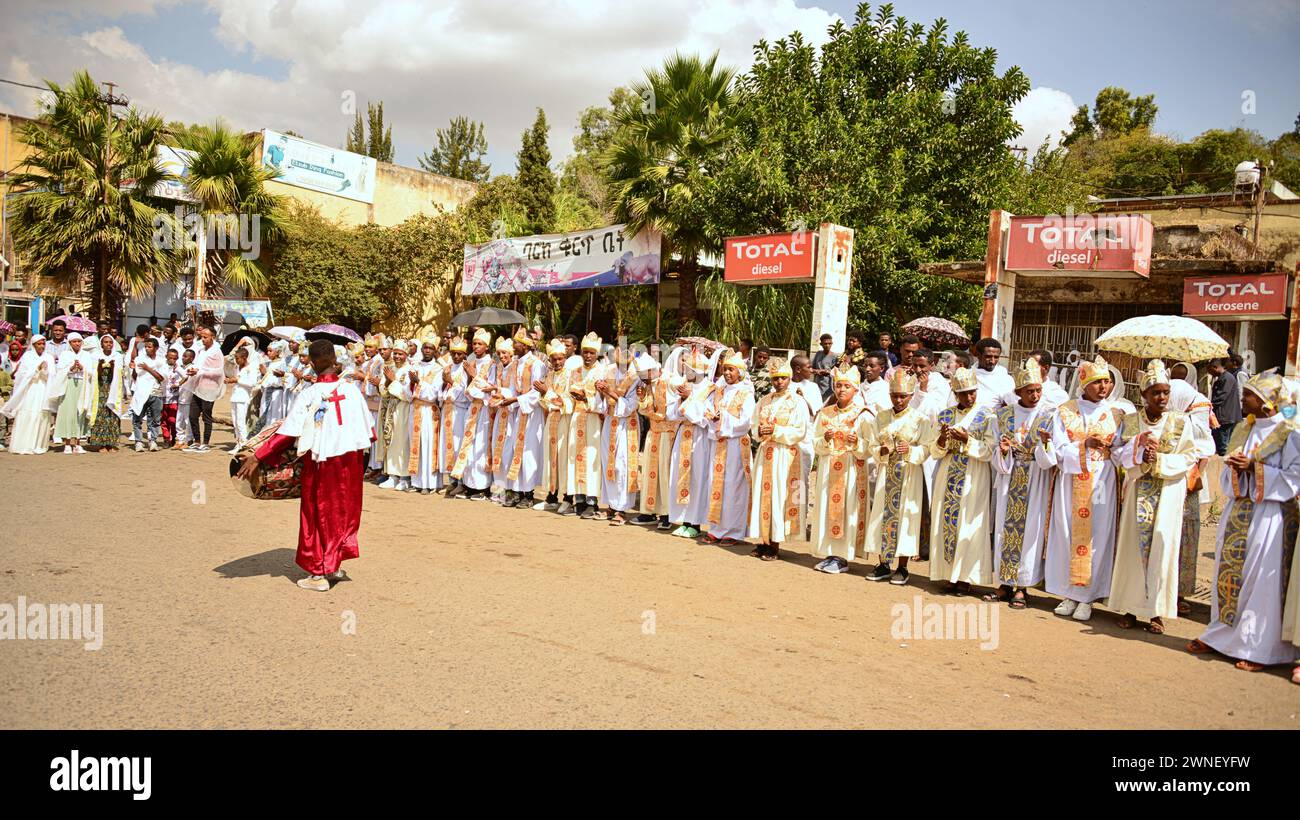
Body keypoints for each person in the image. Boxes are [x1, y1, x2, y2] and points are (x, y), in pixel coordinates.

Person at [236, 340, 374, 592]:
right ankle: (334, 564)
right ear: (334, 359)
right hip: (351, 462)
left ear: (311, 362)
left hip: (323, 462)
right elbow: (370, 432)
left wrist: (259, 456)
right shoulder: (352, 390)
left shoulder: (310, 394)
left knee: (318, 512)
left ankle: (319, 572)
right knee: (344, 510)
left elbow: (288, 433)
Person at [1188, 372, 1300, 674]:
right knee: (1229, 577)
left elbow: (1294, 477)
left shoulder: (1289, 432)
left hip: (1270, 516)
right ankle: (1221, 636)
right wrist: (1238, 471)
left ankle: (1259, 647)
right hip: (1239, 509)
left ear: (1266, 403)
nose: (1243, 398)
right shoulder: (1242, 429)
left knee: (1260, 580)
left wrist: (1255, 468)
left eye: (1249, 394)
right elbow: (1228, 475)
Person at [1108, 360, 1198, 635]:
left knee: (1162, 549)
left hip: (1167, 494)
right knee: (1133, 549)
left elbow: (1189, 456)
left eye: (1165, 392)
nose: (1161, 398)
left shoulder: (1181, 423)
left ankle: (1156, 611)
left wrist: (1157, 460)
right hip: (1138, 490)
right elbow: (1116, 453)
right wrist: (1138, 454)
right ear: (1144, 395)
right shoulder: (1131, 421)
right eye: (1155, 392)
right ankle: (1130, 607)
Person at [1043, 355, 1122, 622]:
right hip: (1073, 479)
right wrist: (1084, 445)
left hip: (1102, 482)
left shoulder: (1117, 413)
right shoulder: (1065, 411)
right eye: (1097, 382)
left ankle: (1088, 597)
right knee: (1068, 534)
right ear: (1084, 383)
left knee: (1097, 536)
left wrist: (1113, 450)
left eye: (1107, 382)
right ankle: (1069, 594)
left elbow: (1122, 448)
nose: (1103, 387)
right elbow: (1057, 446)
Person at [987, 359, 1055, 610]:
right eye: (1029, 391)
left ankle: (1023, 587)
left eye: (1038, 390)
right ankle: (1004, 583)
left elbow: (1051, 458)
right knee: (1005, 531)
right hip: (1010, 479)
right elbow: (996, 448)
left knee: (1030, 534)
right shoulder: (1004, 416)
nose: (1035, 395)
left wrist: (1046, 444)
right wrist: (1003, 451)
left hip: (1035, 479)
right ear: (1018, 392)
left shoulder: (1049, 415)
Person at [928, 367, 995, 595]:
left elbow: (989, 451)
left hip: (973, 475)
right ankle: (949, 574)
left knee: (969, 524)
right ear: (955, 394)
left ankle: (966, 577)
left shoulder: (987, 416)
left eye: (972, 392)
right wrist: (942, 439)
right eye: (963, 393)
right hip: (948, 473)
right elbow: (934, 452)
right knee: (945, 522)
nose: (968, 397)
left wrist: (968, 440)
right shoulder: (945, 415)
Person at [864, 368, 933, 585]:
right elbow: (873, 443)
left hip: (909, 475)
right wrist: (881, 451)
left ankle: (902, 567)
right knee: (882, 518)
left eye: (903, 396)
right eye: (895, 396)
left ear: (911, 396)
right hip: (887, 474)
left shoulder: (920, 420)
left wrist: (910, 450)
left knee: (906, 519)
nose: (899, 400)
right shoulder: (882, 417)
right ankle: (883, 563)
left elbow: (927, 447)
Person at [745, 358, 810, 560]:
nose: (779, 382)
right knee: (762, 496)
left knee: (779, 497)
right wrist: (759, 431)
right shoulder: (764, 401)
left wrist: (775, 430)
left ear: (789, 378)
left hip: (785, 455)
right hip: (766, 454)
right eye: (775, 379)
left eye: (782, 378)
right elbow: (753, 426)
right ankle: (764, 540)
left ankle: (775, 544)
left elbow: (800, 430)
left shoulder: (797, 402)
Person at [811, 367, 871, 573]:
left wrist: (857, 442)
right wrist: (824, 440)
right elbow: (815, 441)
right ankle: (830, 553)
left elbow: (871, 447)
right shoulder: (825, 413)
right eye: (838, 385)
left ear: (855, 389)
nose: (842, 389)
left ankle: (843, 557)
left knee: (848, 508)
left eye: (847, 386)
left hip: (851, 470)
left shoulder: (863, 414)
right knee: (827, 506)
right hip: (829, 468)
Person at [691, 350, 755, 546]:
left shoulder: (746, 393)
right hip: (718, 443)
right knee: (715, 484)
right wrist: (712, 416)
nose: (727, 373)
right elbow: (707, 410)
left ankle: (733, 532)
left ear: (740, 372)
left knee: (733, 487)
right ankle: (716, 529)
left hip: (736, 444)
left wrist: (723, 418)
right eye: (725, 369)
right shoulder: (719, 390)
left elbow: (746, 421)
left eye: (731, 370)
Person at [667, 346, 724, 539]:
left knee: (697, 479)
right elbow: (672, 414)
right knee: (680, 477)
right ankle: (684, 520)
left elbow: (705, 416)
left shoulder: (711, 389)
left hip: (699, 438)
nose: (686, 373)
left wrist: (688, 399)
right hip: (683, 434)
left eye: (690, 369)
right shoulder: (684, 385)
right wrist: (681, 400)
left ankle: (696, 523)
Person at [500, 329, 547, 509]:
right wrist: (504, 396)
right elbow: (513, 388)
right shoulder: (515, 363)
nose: (514, 346)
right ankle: (516, 492)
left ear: (526, 345)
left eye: (516, 343)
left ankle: (528, 494)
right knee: (513, 451)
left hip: (531, 414)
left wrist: (516, 400)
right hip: (518, 412)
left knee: (528, 453)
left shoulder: (536, 364)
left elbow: (537, 392)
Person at [595, 346, 641, 524]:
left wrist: (608, 392)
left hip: (626, 424)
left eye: (628, 351)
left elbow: (631, 405)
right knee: (609, 463)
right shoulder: (609, 371)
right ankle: (611, 506)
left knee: (622, 465)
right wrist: (600, 392)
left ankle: (621, 509)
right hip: (610, 422)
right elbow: (602, 404)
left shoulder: (636, 376)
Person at [631, 352, 676, 528]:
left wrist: (653, 413)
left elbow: (671, 412)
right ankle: (648, 512)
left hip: (667, 434)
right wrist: (642, 398)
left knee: (664, 475)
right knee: (650, 473)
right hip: (654, 432)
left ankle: (667, 515)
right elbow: (644, 410)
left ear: (653, 370)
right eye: (641, 376)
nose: (643, 379)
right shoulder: (650, 384)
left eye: (644, 375)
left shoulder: (670, 382)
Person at [449, 333, 492, 500]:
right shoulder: (471, 363)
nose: (476, 347)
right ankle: (469, 485)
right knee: (468, 448)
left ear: (487, 346)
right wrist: (469, 377)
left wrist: (474, 375)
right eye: (474, 344)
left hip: (484, 410)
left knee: (480, 448)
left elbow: (490, 388)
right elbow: (467, 389)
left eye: (479, 344)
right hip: (471, 407)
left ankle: (482, 488)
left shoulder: (492, 364)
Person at [566, 333, 605, 517]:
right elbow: (568, 395)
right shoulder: (575, 372)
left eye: (591, 352)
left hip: (592, 419)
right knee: (575, 457)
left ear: (596, 353)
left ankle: (592, 501)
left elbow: (604, 400)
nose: (588, 356)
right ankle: (579, 498)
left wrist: (587, 398)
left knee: (591, 458)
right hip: (576, 417)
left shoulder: (603, 372)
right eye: (585, 352)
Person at [535, 339, 574, 512]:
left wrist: (546, 393)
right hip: (551, 420)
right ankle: (551, 496)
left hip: (565, 421)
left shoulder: (571, 374)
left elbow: (568, 399)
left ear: (565, 358)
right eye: (554, 359)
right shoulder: (550, 375)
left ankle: (567, 498)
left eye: (560, 359)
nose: (557, 362)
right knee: (551, 458)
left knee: (564, 458)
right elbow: (544, 402)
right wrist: (544, 396)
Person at [2, 336, 54, 454]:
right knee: (28, 414)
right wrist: (36, 369)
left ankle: (38, 445)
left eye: (43, 344)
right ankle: (24, 444)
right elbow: (22, 375)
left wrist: (45, 370)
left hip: (43, 389)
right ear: (34, 345)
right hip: (30, 390)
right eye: (39, 344)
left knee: (41, 415)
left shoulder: (48, 357)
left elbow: (52, 376)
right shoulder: (27, 357)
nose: (41, 346)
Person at [47, 332, 95, 453]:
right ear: (69, 343)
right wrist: (71, 368)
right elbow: (60, 370)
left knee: (80, 413)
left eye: (79, 341)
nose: (77, 344)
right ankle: (67, 442)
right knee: (68, 413)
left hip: (82, 385)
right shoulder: (65, 354)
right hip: (68, 385)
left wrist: (83, 368)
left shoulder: (86, 355)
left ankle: (78, 442)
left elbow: (91, 371)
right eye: (74, 341)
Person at [408, 337, 444, 495]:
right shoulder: (414, 366)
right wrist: (411, 384)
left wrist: (418, 382)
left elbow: (433, 394)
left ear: (435, 350)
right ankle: (416, 481)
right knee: (416, 444)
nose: (427, 350)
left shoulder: (438, 369)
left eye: (430, 348)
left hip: (429, 411)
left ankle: (429, 483)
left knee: (428, 445)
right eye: (425, 347)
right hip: (415, 410)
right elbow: (405, 390)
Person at [380, 345, 416, 491]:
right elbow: (383, 390)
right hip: (391, 408)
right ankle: (392, 476)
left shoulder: (410, 370)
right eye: (395, 354)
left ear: (406, 354)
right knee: (392, 441)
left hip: (404, 409)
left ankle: (404, 477)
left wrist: (392, 381)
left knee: (402, 442)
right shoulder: (391, 368)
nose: (397, 357)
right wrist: (388, 381)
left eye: (400, 354)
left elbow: (407, 394)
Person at [187, 327, 225, 452]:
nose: (202, 339)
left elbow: (219, 371)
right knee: (192, 415)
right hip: (198, 386)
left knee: (206, 417)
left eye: (205, 337)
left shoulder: (216, 352)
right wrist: (194, 370)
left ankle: (206, 442)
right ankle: (197, 441)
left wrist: (201, 371)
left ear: (212, 337)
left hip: (210, 388)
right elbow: (197, 365)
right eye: (201, 337)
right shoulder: (201, 351)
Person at [129, 338, 169, 452]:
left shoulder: (161, 361)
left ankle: (153, 441)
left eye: (150, 346)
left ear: (156, 348)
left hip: (156, 392)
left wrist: (148, 369)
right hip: (141, 392)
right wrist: (153, 371)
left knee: (155, 419)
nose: (147, 348)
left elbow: (161, 378)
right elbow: (138, 373)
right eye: (146, 346)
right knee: (137, 418)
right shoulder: (139, 359)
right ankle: (138, 442)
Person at [1207, 358, 1241, 457]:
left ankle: (1224, 466)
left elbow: (1221, 396)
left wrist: (1209, 405)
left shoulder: (1227, 378)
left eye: (1210, 370)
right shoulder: (1223, 378)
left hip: (1226, 416)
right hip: (1225, 416)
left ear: (1215, 367)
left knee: (1223, 446)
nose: (1209, 373)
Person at [227, 346, 259, 448]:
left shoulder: (251, 368)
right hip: (235, 396)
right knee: (235, 422)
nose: (236, 361)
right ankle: (238, 442)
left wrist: (237, 380)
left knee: (241, 422)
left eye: (238, 358)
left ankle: (243, 443)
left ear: (244, 358)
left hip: (243, 397)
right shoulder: (238, 368)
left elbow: (252, 383)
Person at [972, 337, 1014, 410]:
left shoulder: (1005, 379)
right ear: (978, 355)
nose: (992, 361)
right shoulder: (968, 375)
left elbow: (1012, 406)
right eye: (988, 356)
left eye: (996, 357)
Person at [173, 349, 196, 449]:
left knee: (188, 421)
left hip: (188, 398)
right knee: (179, 421)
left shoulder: (192, 368)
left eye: (186, 356)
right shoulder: (182, 367)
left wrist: (177, 369)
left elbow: (186, 377)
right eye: (183, 356)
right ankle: (179, 440)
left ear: (191, 358)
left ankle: (189, 440)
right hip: (181, 398)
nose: (183, 358)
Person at [811, 333, 837, 402]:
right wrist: (817, 371)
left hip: (829, 389)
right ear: (821, 344)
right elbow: (810, 369)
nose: (828, 345)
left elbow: (836, 372)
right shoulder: (818, 354)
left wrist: (828, 372)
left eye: (830, 343)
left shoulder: (835, 357)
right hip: (817, 386)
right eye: (825, 344)